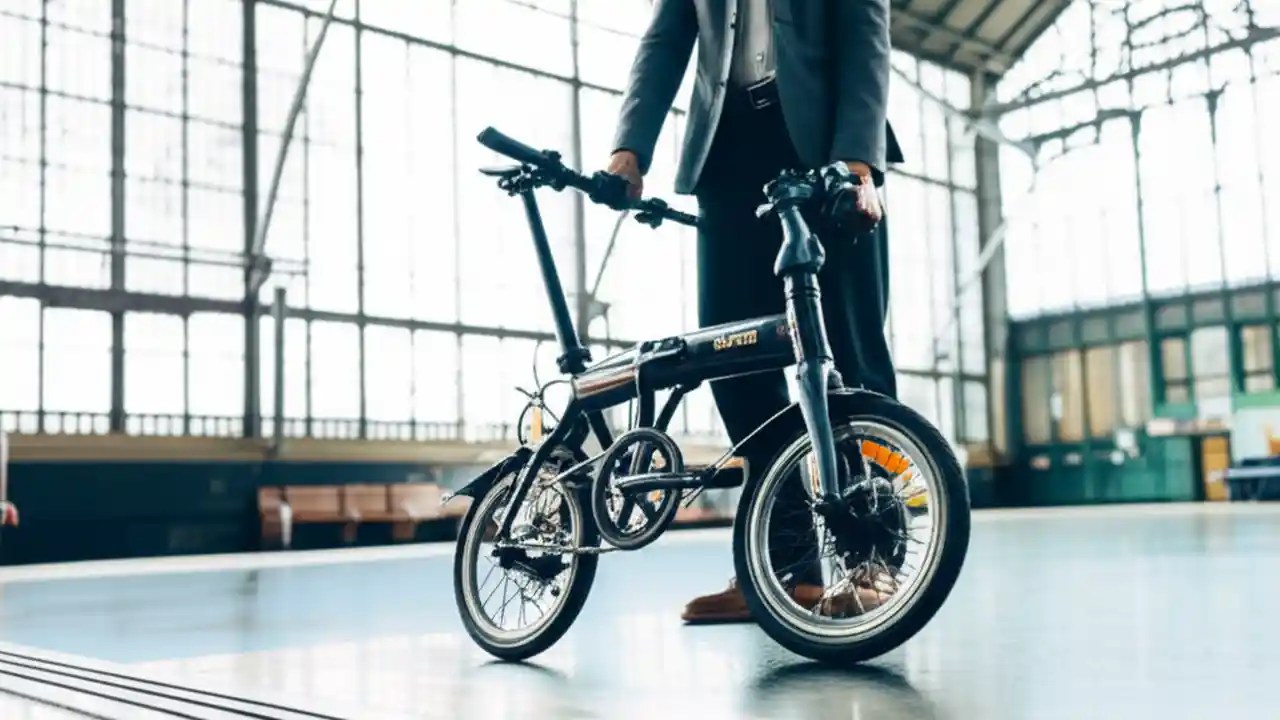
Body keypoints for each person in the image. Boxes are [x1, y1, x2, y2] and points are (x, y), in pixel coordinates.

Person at [605, 0, 903, 623]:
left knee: (849, 357)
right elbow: (664, 41)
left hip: (826, 149)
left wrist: (857, 162)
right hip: (726, 152)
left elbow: (866, 34)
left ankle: (874, 560)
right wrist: (629, 148)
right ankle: (780, 569)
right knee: (734, 362)